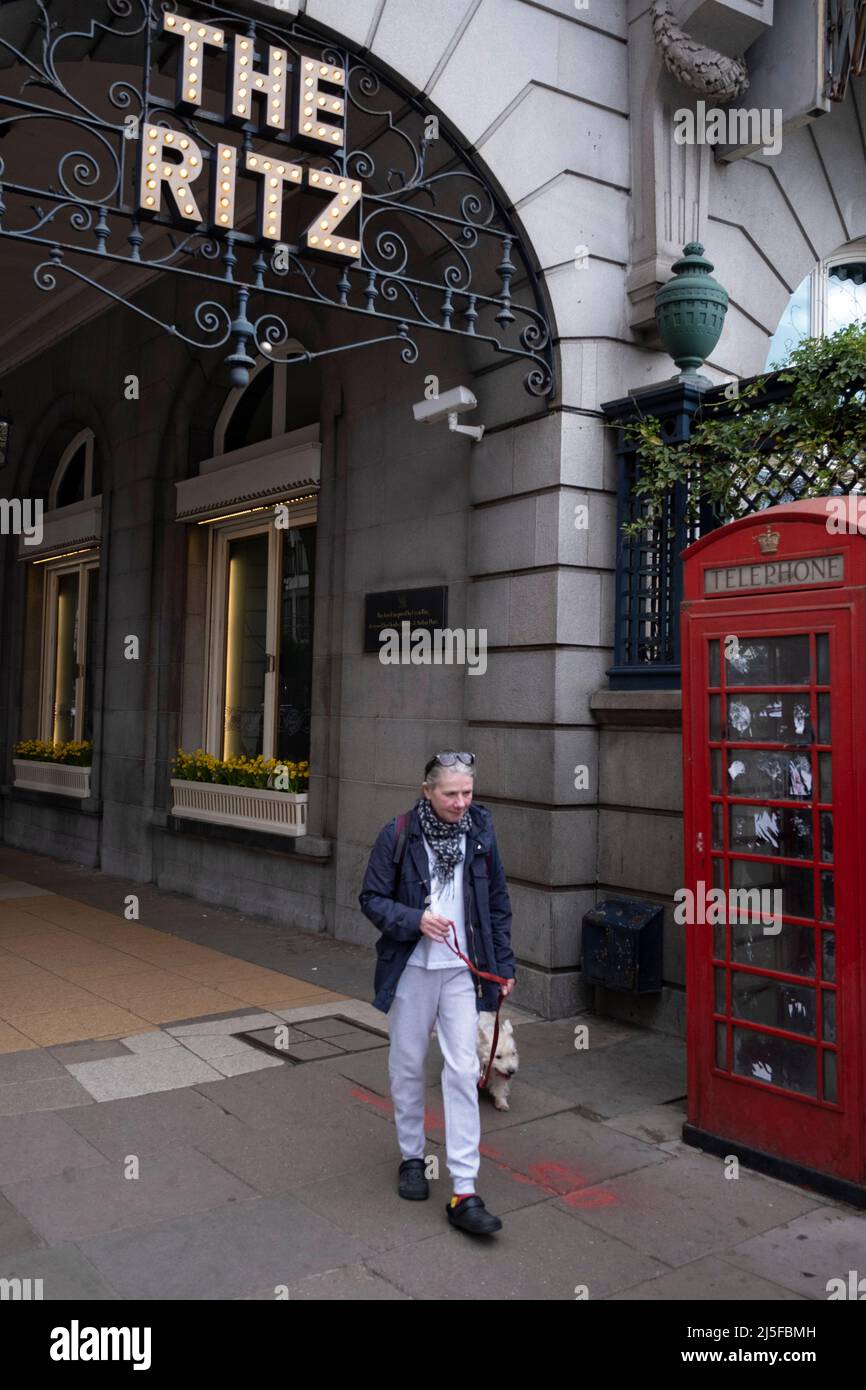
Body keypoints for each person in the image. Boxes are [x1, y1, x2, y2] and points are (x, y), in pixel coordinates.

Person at [358, 751, 516, 1236]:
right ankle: (411, 1156)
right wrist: (415, 920)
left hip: (461, 973)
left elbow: (496, 904)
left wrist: (502, 967)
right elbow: (372, 898)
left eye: (467, 792)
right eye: (450, 793)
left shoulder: (481, 834)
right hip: (411, 968)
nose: (461, 802)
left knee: (464, 1069)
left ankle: (464, 1189)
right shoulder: (399, 834)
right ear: (427, 790)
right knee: (407, 1064)